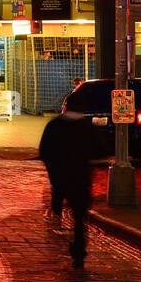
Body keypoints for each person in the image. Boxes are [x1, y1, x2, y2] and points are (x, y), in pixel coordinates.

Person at [37, 110, 97, 268]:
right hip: (81, 178)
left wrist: (53, 166)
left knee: (58, 199)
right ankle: (78, 251)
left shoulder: (54, 125)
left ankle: (57, 216)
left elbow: (43, 151)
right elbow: (101, 148)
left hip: (60, 176)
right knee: (79, 218)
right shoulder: (85, 126)